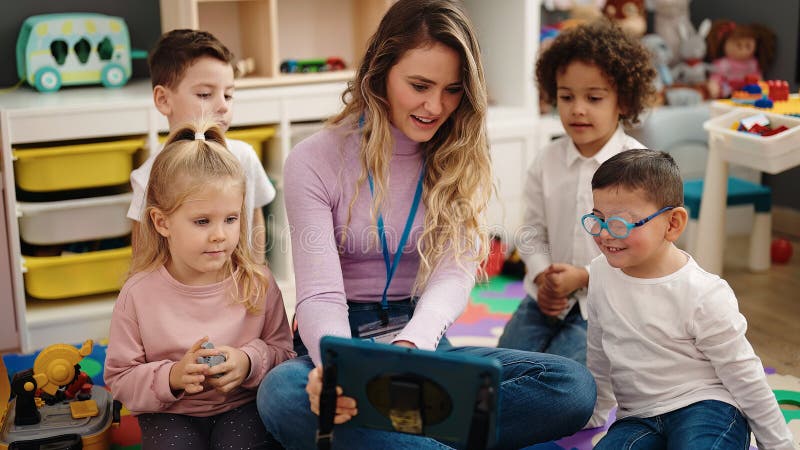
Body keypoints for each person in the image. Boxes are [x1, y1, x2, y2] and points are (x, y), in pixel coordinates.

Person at [256, 1, 596, 449]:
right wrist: (342, 371)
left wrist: (413, 346)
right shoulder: (312, 160)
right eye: (419, 85)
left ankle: (405, 436)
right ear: (380, 72)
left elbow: (454, 274)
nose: (435, 107)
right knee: (281, 395)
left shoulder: (459, 152)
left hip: (421, 335)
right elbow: (320, 293)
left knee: (572, 387)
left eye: (453, 90)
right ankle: (437, 432)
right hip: (339, 342)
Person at [583, 149, 795, 449]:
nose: (604, 234)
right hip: (637, 416)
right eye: (598, 219)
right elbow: (598, 349)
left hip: (708, 406)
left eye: (620, 224)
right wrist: (595, 412)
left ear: (672, 224)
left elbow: (745, 375)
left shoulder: (704, 293)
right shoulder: (600, 275)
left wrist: (779, 445)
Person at [105, 121, 294, 450]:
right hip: (168, 411)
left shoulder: (258, 282)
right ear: (162, 222)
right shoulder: (138, 294)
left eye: (231, 219)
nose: (220, 234)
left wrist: (248, 361)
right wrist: (172, 376)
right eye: (202, 221)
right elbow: (120, 379)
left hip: (242, 406)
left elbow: (284, 355)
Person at [498, 20, 656, 365]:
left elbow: (643, 251)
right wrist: (542, 275)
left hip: (606, 308)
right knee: (497, 367)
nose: (577, 109)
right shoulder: (546, 160)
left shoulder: (638, 168)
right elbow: (530, 230)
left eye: (594, 98)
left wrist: (584, 277)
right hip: (545, 296)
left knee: (562, 376)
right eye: (566, 97)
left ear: (624, 101)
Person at [128, 29, 275, 260]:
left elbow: (254, 222)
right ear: (164, 100)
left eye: (228, 95)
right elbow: (142, 254)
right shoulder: (149, 175)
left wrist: (258, 274)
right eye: (205, 94)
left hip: (239, 287)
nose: (223, 106)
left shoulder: (243, 156)